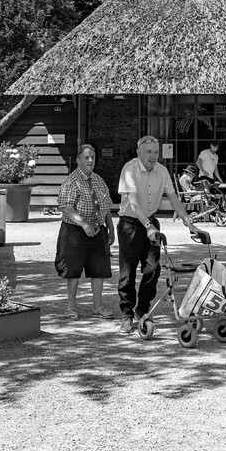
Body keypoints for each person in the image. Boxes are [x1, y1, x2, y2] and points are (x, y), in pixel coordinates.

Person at [117, 135, 202, 333]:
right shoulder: (129, 169)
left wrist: (189, 223)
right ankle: (126, 315)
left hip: (151, 223)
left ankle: (142, 310)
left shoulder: (162, 171)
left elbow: (174, 199)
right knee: (126, 273)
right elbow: (134, 203)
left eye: (156, 152)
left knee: (153, 269)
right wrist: (148, 226)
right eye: (149, 152)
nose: (153, 156)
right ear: (139, 152)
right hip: (131, 223)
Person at [55, 144, 116, 320]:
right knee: (73, 269)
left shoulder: (99, 180)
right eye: (87, 157)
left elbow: (106, 206)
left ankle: (97, 306)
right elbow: (66, 206)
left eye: (93, 157)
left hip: (97, 230)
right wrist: (83, 224)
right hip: (75, 231)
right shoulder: (71, 181)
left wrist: (111, 229)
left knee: (99, 269)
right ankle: (71, 307)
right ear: (78, 160)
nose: (90, 160)